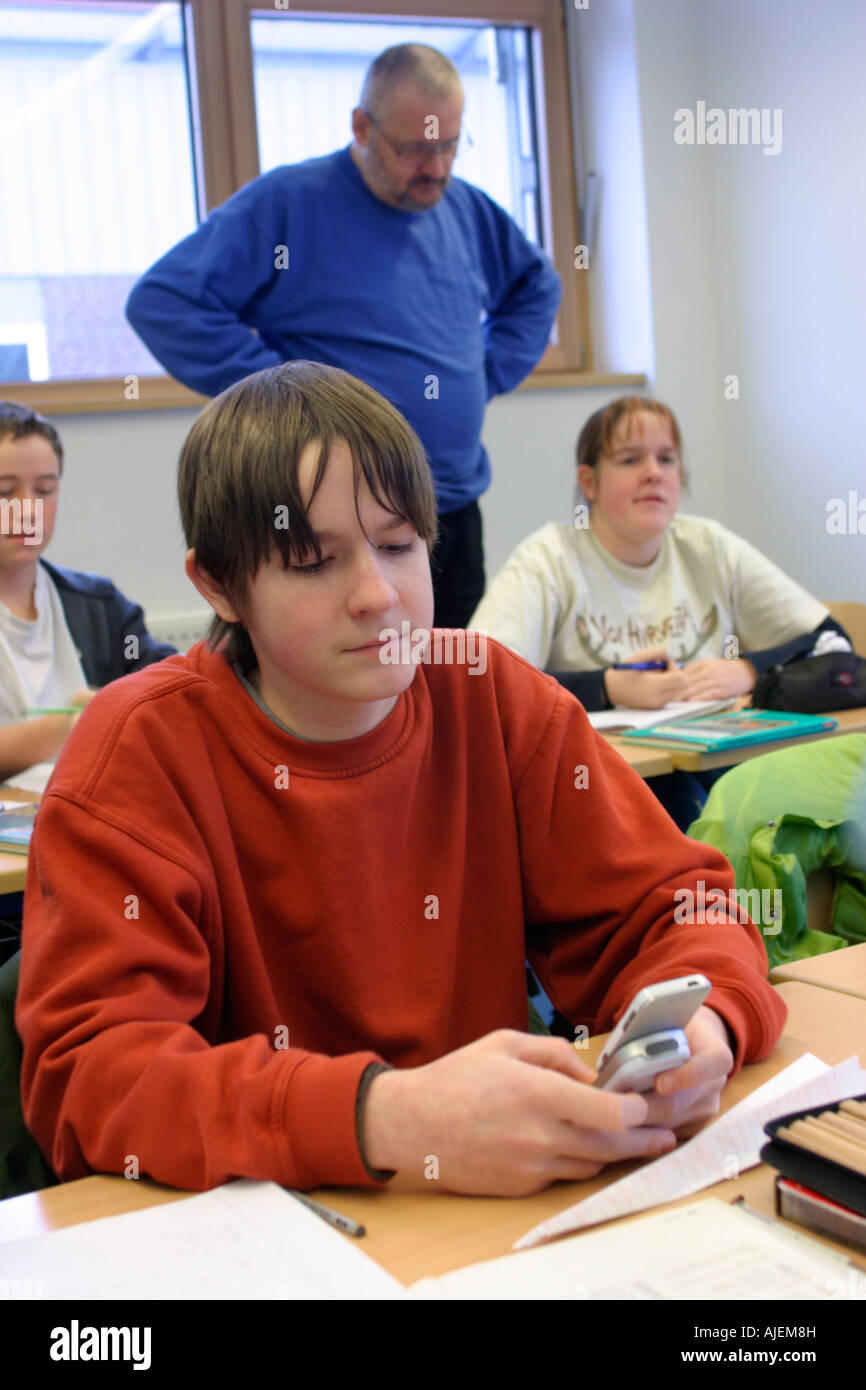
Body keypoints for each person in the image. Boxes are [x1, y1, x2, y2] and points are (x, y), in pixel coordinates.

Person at [17, 363, 785, 1199]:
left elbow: (681, 908)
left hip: (494, 1216)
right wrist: (387, 1117)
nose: (378, 596)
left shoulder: (489, 694)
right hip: (273, 1233)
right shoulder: (141, 749)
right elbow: (92, 1078)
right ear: (219, 584)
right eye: (314, 560)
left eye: (397, 545)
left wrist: (705, 1021)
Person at [125, 43, 561, 630]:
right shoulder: (289, 203)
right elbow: (164, 301)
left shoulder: (467, 209)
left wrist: (488, 373)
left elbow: (538, 287)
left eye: (449, 145)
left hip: (449, 508)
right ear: (362, 126)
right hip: (338, 526)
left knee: (453, 696)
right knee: (352, 696)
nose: (434, 168)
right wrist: (280, 394)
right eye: (414, 149)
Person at [471, 396, 849, 713]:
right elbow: (481, 677)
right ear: (589, 481)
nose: (654, 473)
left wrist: (750, 671)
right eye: (630, 460)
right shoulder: (548, 558)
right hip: (598, 773)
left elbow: (831, 640)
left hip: (712, 753)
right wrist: (606, 687)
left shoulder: (710, 545)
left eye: (666, 459)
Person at [0, 403, 174, 792]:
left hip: (93, 811)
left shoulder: (99, 605)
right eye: (5, 492)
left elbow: (165, 688)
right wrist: (67, 728)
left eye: (44, 490)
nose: (28, 510)